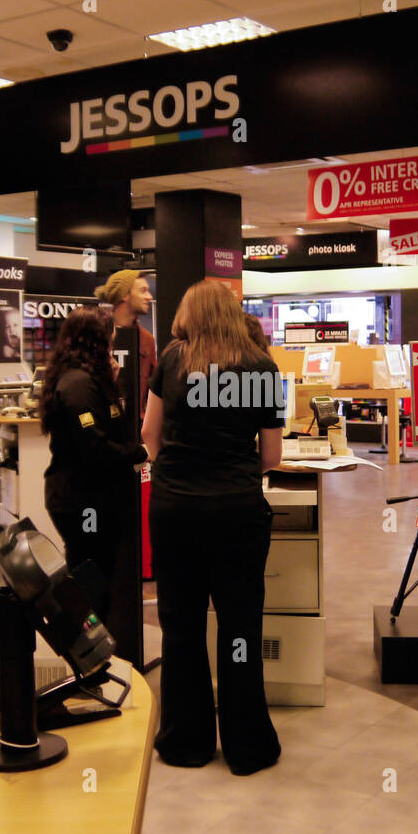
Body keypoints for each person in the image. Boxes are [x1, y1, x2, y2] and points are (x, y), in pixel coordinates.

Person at [142, 281, 283, 776]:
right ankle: (247, 746)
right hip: (238, 512)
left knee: (181, 627)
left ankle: (186, 741)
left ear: (189, 314)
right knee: (240, 627)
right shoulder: (262, 367)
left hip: (176, 512)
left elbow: (148, 435)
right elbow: (271, 455)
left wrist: (179, 474)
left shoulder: (172, 361)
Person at [40, 307, 147, 621]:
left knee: (96, 585)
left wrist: (111, 385)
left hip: (92, 499)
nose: (113, 350)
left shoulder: (89, 380)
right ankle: (88, 661)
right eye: (110, 342)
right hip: (83, 502)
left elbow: (110, 429)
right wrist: (139, 454)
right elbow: (95, 448)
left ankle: (94, 660)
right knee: (90, 590)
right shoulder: (78, 385)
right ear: (96, 343)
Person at [96, 269, 156, 421]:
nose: (149, 297)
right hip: (102, 427)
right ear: (124, 295)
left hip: (136, 429)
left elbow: (152, 392)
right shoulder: (96, 335)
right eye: (143, 291)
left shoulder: (147, 340)